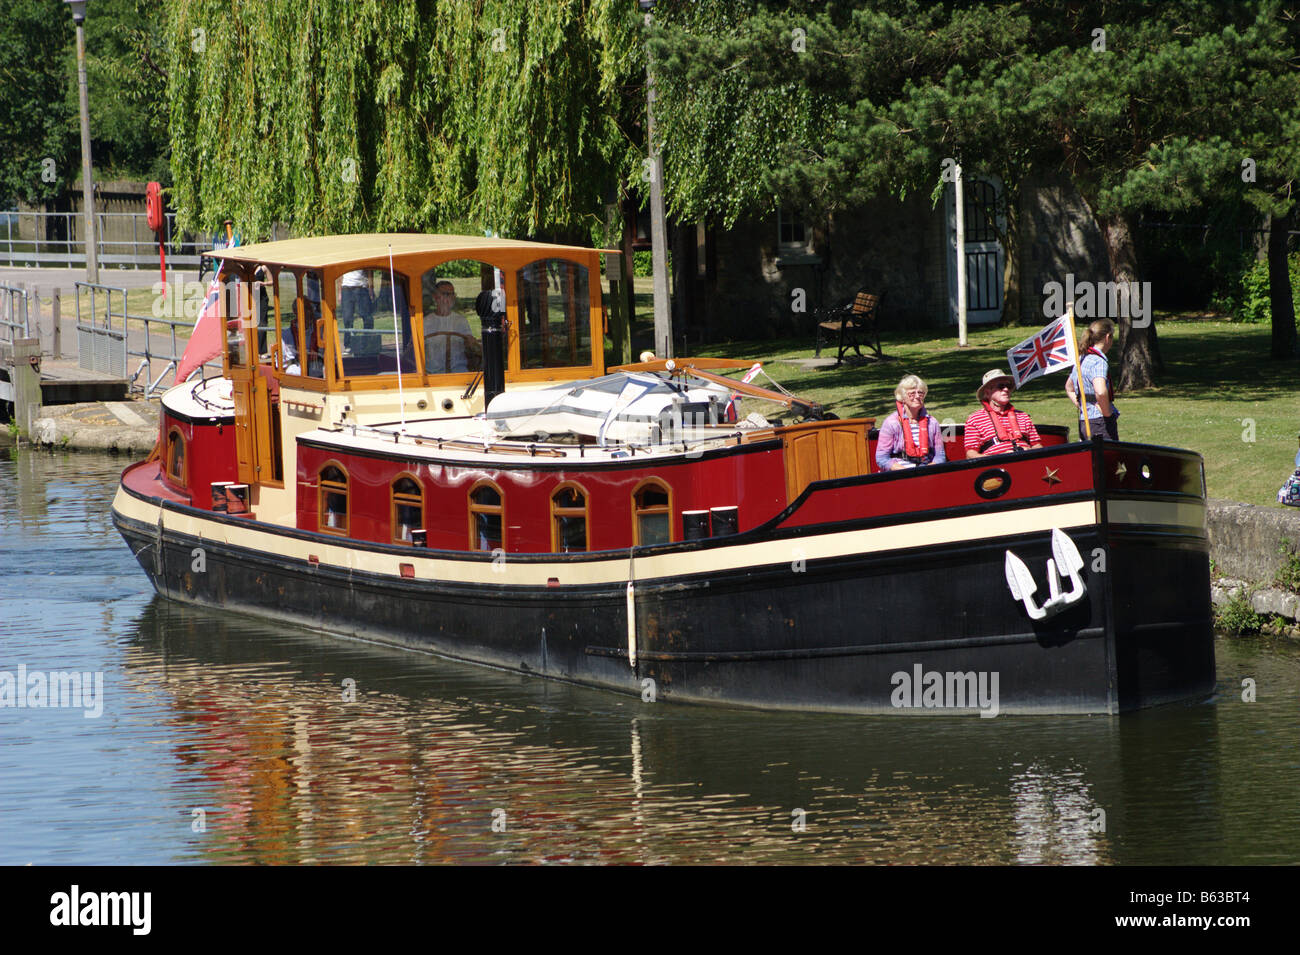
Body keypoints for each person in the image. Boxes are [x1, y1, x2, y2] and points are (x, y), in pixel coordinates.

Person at [964, 369, 1042, 457]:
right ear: (987, 392)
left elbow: (1037, 445)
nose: (1006, 389)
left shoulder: (1023, 416)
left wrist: (1029, 451)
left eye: (1008, 386)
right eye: (1001, 386)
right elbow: (970, 454)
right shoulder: (975, 419)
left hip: (1027, 461)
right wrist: (998, 458)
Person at [876, 375, 947, 471]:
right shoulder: (891, 423)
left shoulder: (932, 423)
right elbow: (882, 458)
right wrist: (905, 472)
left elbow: (940, 456)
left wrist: (927, 471)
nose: (917, 396)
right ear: (903, 397)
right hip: (900, 474)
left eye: (920, 393)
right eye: (912, 393)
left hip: (926, 472)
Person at [1065, 318, 1119, 440]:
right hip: (1100, 423)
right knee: (1108, 458)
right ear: (1107, 337)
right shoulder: (1098, 361)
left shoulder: (1081, 359)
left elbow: (1069, 388)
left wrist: (1083, 406)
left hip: (1085, 421)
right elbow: (1100, 391)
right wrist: (1107, 414)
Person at [423, 280, 473, 373]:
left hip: (458, 371)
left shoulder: (461, 321)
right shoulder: (426, 322)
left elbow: (472, 346)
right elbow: (414, 350)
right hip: (432, 374)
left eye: (452, 294)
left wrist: (471, 342)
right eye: (445, 294)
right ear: (435, 297)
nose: (449, 298)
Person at [337, 269, 373, 350]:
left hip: (361, 288)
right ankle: (348, 344)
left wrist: (370, 288)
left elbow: (369, 271)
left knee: (367, 317)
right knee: (347, 318)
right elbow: (339, 274)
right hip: (346, 289)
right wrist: (339, 292)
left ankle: (367, 343)